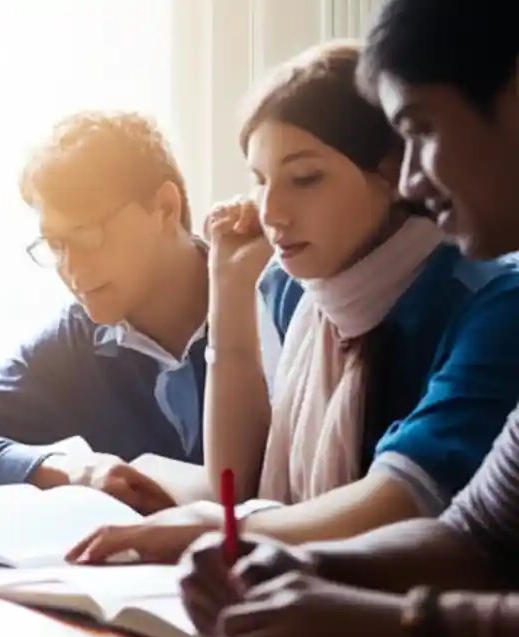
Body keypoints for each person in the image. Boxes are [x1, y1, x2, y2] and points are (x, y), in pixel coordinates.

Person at [68, 41, 519, 565]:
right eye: (260, 182)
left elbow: (401, 504)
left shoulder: (489, 305)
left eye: (305, 178)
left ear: (396, 172)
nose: (273, 212)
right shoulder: (294, 291)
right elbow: (230, 486)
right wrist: (230, 293)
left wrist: (221, 530)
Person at [179, 0, 519, 637]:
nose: (413, 179)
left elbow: (411, 514)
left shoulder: (488, 302)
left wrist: (416, 632)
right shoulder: (301, 299)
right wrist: (310, 568)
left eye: (422, 132)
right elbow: (477, 536)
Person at [0, 111, 226, 508]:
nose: (71, 269)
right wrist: (64, 470)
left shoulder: (273, 306)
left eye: (88, 236)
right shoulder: (78, 342)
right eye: (55, 245)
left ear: (166, 208)